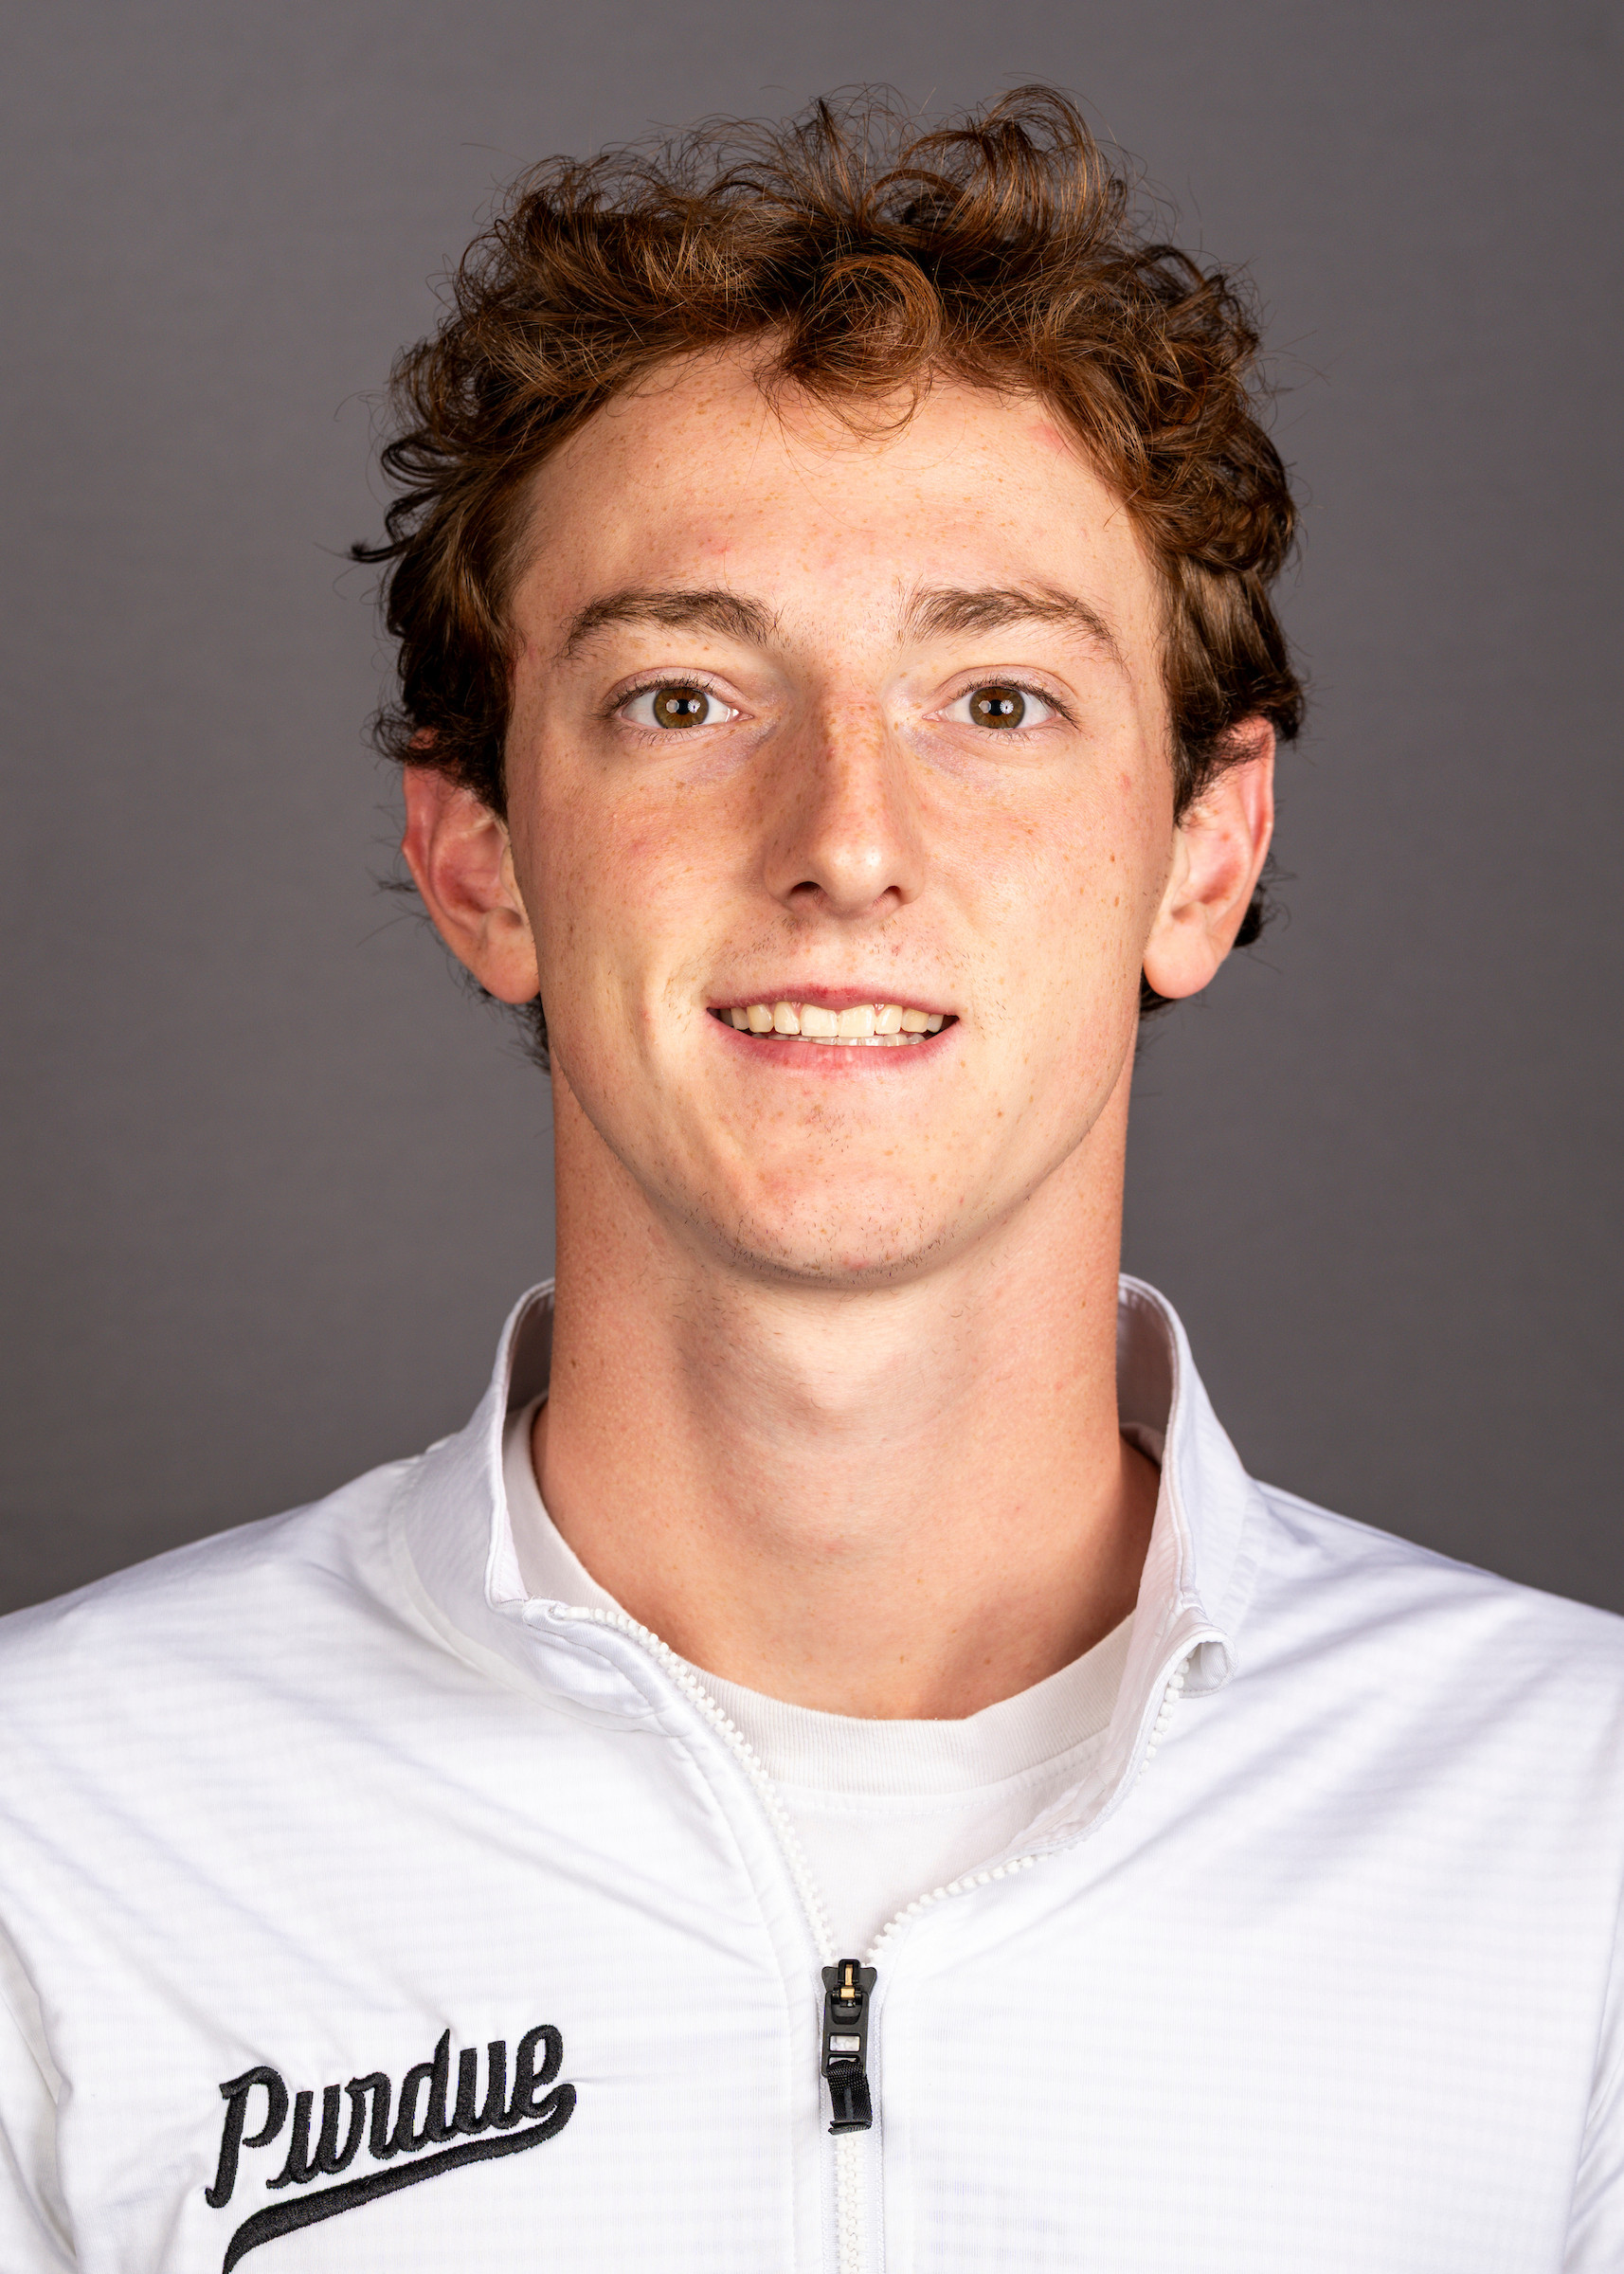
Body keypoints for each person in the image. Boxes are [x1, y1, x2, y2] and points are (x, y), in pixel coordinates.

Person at [0, 86, 1619, 2274]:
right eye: (681, 698)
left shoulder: (1576, 1842)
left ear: (1200, 855)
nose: (844, 838)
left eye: (995, 701)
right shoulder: (53, 1836)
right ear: (479, 861)